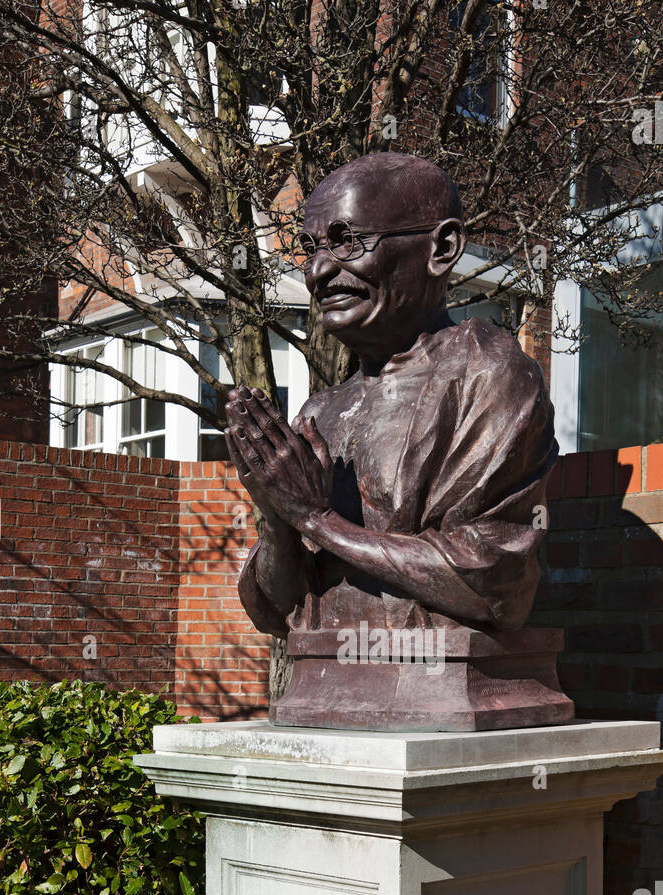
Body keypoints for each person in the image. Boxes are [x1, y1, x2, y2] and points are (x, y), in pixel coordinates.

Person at [226, 151, 559, 647]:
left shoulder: (490, 376)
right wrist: (278, 517)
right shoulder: (321, 411)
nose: (318, 270)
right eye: (311, 248)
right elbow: (280, 610)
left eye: (346, 241)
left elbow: (492, 579)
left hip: (439, 690)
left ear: (442, 247)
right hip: (332, 687)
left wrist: (318, 521)